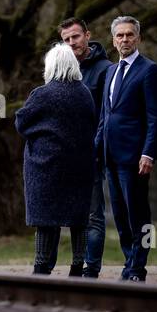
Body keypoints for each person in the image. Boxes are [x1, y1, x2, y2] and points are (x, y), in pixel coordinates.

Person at [94, 16, 157, 282]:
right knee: (121, 218)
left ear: (138, 38)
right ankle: (129, 265)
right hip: (110, 157)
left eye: (129, 35)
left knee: (138, 215)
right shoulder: (110, 72)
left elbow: (156, 117)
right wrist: (96, 149)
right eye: (120, 36)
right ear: (113, 40)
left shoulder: (149, 70)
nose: (125, 39)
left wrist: (148, 153)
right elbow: (105, 115)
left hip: (135, 158)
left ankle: (137, 269)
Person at [14, 43, 97, 275]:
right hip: (80, 167)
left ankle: (42, 266)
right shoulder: (85, 93)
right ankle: (77, 266)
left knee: (46, 220)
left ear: (51, 66)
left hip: (46, 167)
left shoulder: (42, 94)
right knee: (78, 220)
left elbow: (21, 123)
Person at [58, 18, 113, 277]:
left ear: (87, 35)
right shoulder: (61, 70)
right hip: (65, 154)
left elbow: (107, 115)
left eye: (76, 37)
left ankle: (92, 269)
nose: (72, 43)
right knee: (72, 215)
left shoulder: (106, 70)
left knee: (93, 214)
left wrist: (95, 148)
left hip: (91, 153)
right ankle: (77, 265)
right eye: (67, 39)